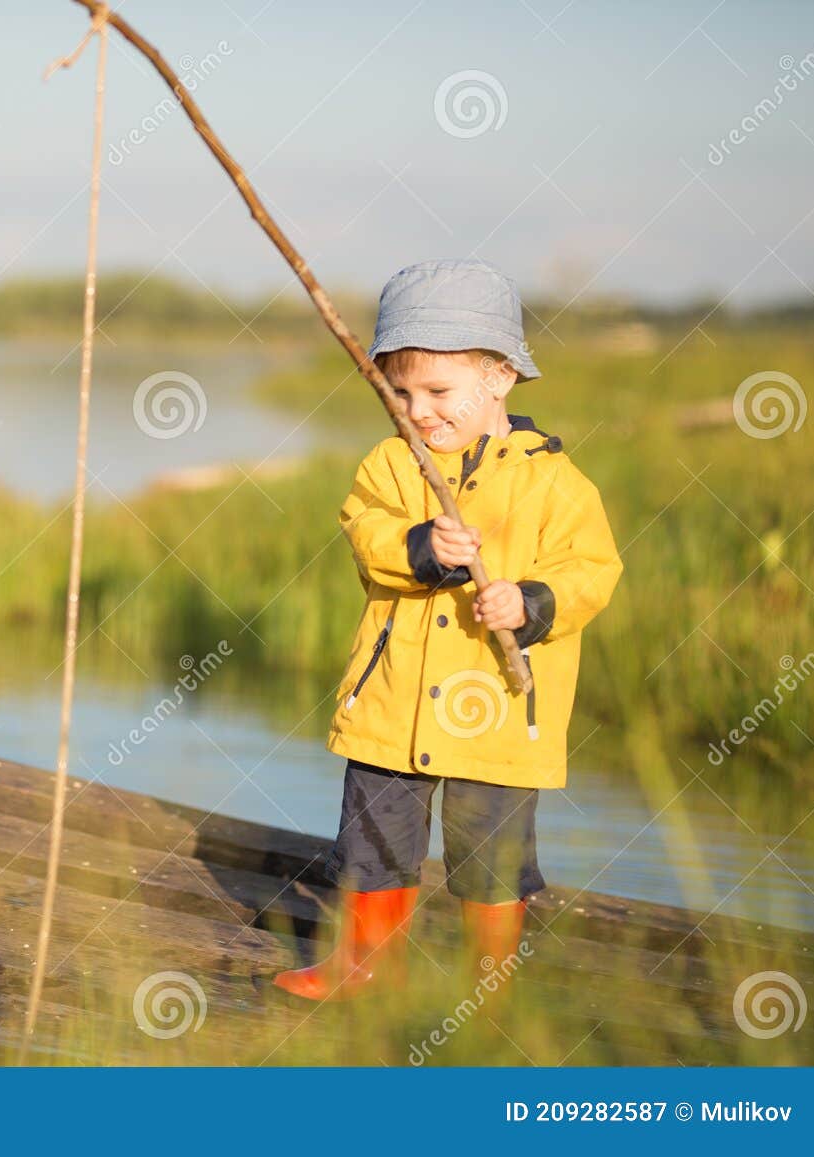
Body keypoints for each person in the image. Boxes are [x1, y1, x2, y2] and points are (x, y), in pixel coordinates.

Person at [271, 258, 624, 1006]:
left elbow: (592, 569)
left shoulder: (554, 481)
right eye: (399, 392)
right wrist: (422, 547)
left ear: (498, 378)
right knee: (374, 841)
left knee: (491, 852)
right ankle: (365, 966)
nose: (418, 410)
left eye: (438, 391)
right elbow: (366, 535)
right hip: (391, 704)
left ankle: (485, 985)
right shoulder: (394, 464)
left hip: (496, 710)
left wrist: (530, 604)